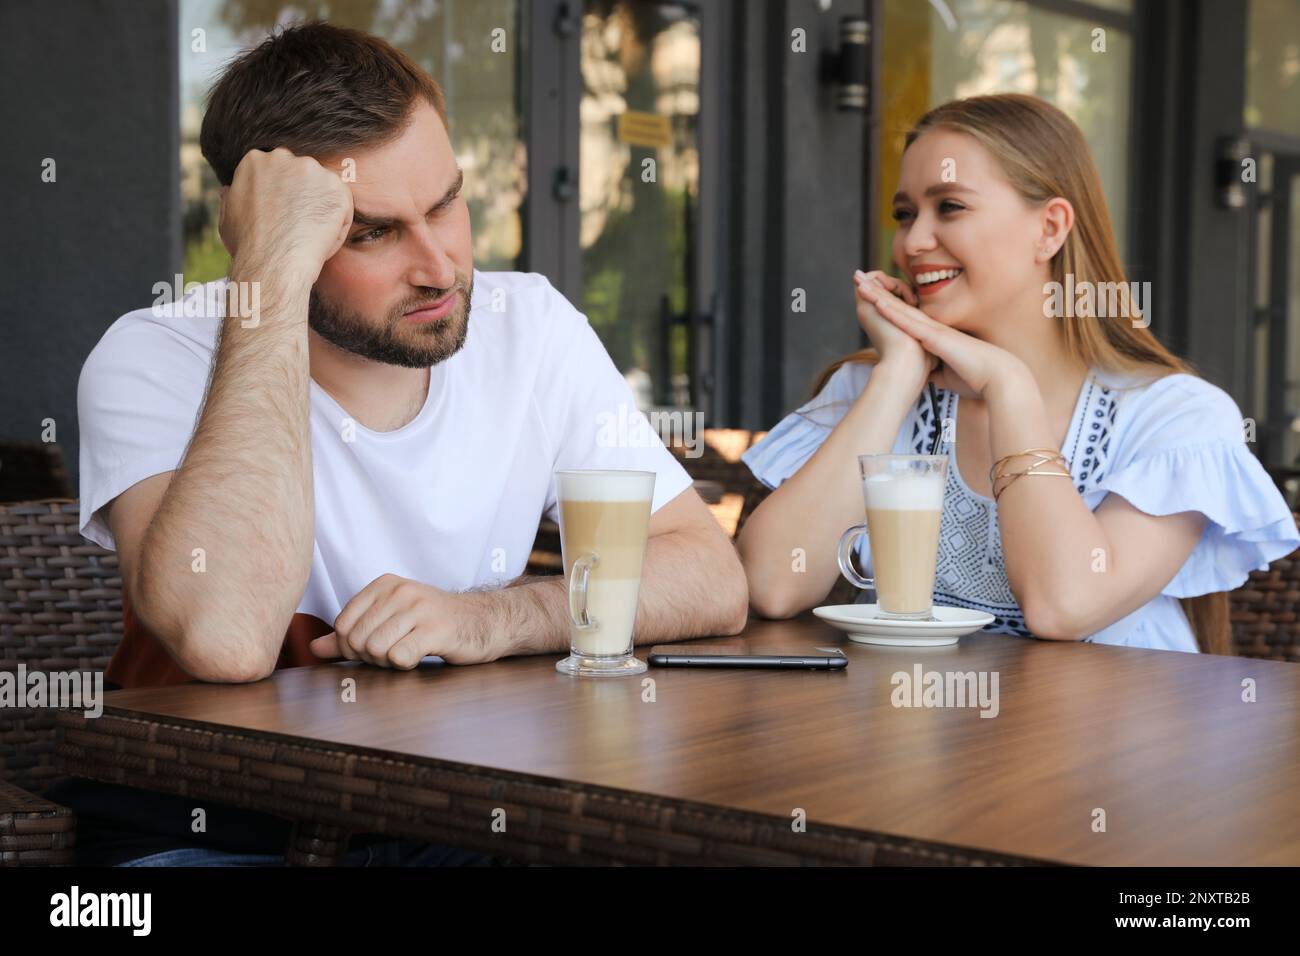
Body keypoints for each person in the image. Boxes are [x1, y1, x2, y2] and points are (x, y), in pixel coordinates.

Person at [56, 21, 748, 866]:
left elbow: (710, 576)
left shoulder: (527, 327)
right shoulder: (154, 355)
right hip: (215, 821)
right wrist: (268, 280)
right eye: (371, 232)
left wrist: (493, 619)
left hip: (453, 800)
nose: (441, 266)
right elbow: (226, 639)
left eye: (446, 203)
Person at [737, 93, 1299, 654]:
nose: (912, 242)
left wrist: (1008, 389)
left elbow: (1065, 606)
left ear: (1049, 228)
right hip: (901, 732)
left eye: (950, 206)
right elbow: (770, 585)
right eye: (905, 214)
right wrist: (897, 376)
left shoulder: (1177, 417)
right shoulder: (874, 389)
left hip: (1115, 737)